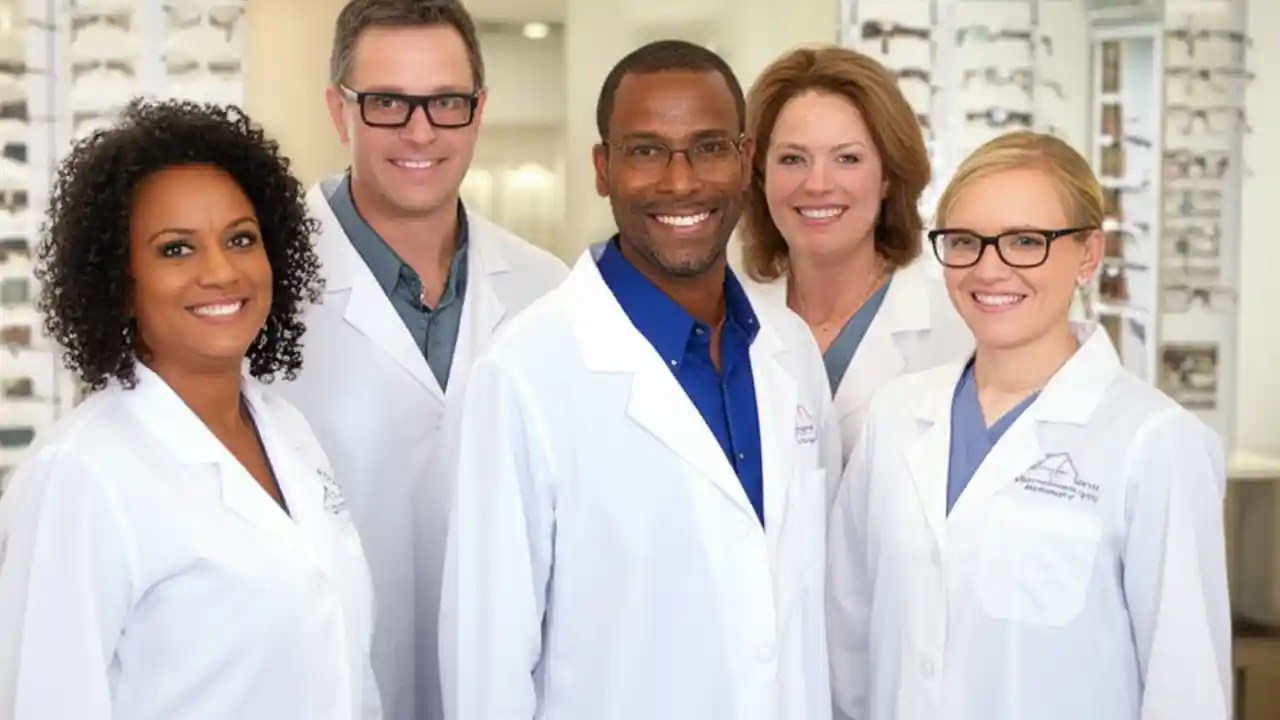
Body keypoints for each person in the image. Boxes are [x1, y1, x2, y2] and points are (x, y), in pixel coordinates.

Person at [438, 39, 840, 719]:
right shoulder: (526, 373)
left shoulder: (789, 351)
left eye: (709, 147)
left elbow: (808, 605)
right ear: (603, 167)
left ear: (745, 162)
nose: (680, 182)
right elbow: (488, 663)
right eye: (646, 150)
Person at [827, 132, 1231, 720]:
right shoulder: (895, 416)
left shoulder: (1154, 443)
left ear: (1089, 255)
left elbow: (1187, 688)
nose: (990, 269)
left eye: (1025, 242)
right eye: (965, 241)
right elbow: (849, 642)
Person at [0, 99, 380, 718]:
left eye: (240, 239)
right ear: (120, 283)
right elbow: (43, 700)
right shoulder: (81, 475)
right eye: (176, 249)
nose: (221, 271)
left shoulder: (286, 428)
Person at [274, 2, 569, 717]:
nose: (420, 131)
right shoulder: (262, 290)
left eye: (446, 102)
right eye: (386, 103)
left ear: (479, 109)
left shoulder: (547, 291)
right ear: (339, 111)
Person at [738, 46, 971, 465]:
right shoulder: (725, 315)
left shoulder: (958, 330)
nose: (817, 184)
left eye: (847, 158)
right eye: (792, 158)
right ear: (760, 176)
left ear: (887, 177)